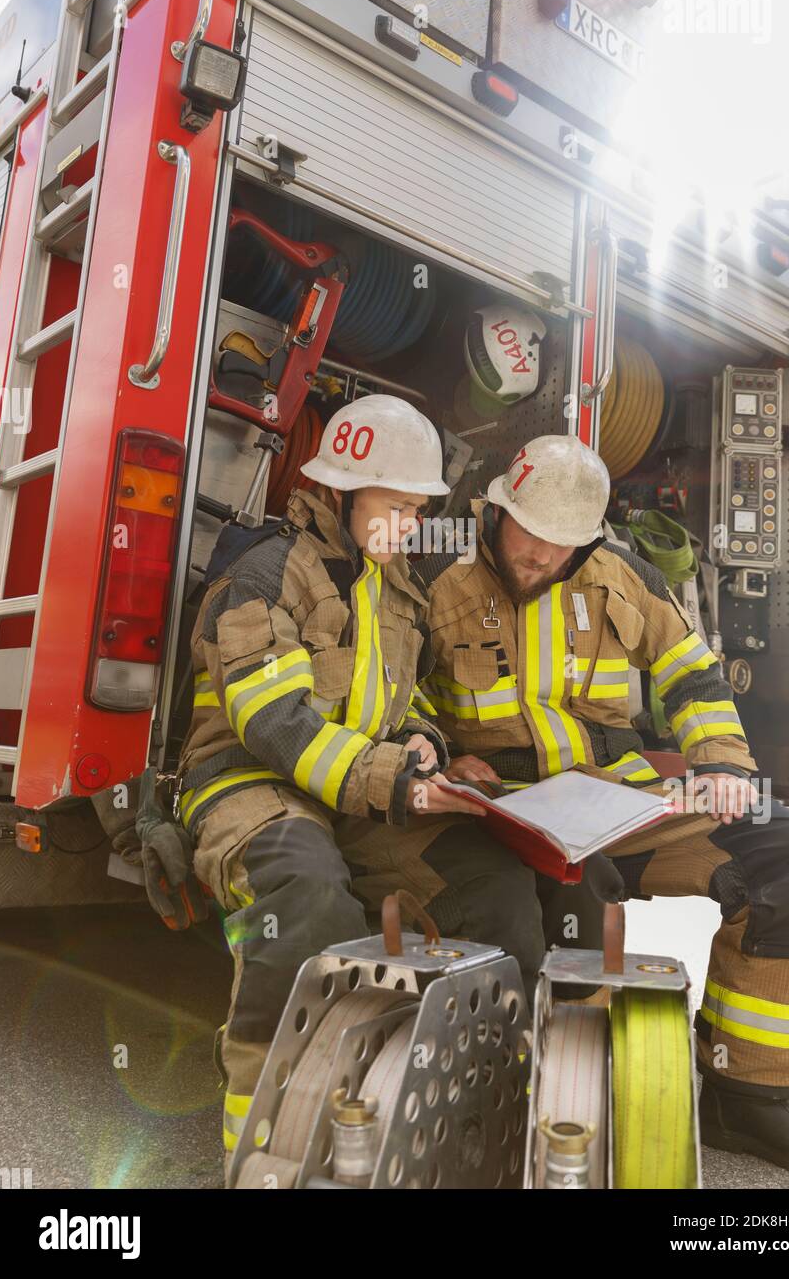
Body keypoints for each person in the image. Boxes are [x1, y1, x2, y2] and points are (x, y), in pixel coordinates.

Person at [174, 399, 598, 1175]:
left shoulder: (395, 588)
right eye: (396, 506)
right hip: (247, 782)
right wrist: (395, 783)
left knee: (496, 887)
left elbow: (412, 702)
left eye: (418, 508)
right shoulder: (266, 572)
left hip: (357, 792)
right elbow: (276, 724)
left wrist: (428, 753)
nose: (409, 524)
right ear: (341, 492)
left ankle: (486, 1113)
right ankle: (265, 1144)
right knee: (303, 901)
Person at [416, 432, 789, 1180]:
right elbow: (390, 687)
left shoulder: (623, 573)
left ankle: (746, 1098)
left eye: (564, 545)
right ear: (496, 510)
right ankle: (556, 1105)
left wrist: (720, 765)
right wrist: (436, 745)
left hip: (613, 801)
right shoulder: (431, 569)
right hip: (499, 811)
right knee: (573, 903)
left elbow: (691, 673)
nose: (543, 558)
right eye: (531, 535)